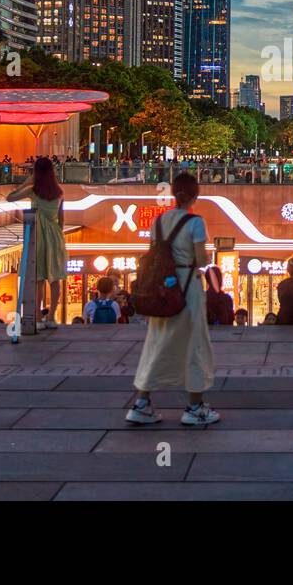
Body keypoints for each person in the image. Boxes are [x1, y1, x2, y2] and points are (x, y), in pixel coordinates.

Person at [126, 172, 220, 426]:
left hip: (162, 291)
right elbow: (200, 260)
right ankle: (194, 407)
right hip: (187, 288)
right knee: (195, 345)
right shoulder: (195, 223)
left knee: (157, 343)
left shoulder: (158, 222)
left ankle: (141, 403)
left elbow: (154, 256)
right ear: (194, 196)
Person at [6, 158, 67, 329]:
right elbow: (61, 221)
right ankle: (52, 318)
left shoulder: (33, 191)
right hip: (55, 237)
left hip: (38, 235)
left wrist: (26, 181)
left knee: (38, 278)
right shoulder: (59, 192)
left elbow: (9, 198)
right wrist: (58, 237)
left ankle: (38, 318)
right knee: (55, 279)